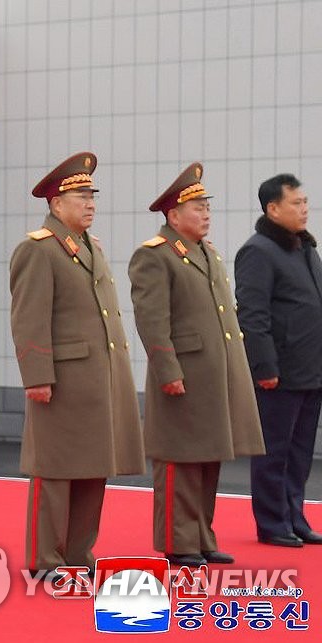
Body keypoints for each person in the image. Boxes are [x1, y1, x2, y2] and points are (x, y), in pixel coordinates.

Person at [8, 152, 144, 579]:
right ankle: (46, 560)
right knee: (55, 472)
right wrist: (37, 378)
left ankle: (78, 556)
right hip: (62, 381)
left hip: (98, 381)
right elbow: (29, 318)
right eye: (80, 195)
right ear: (55, 204)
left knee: (92, 469)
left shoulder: (89, 247)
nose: (90, 202)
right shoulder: (38, 250)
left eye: (91, 195)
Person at [128, 163, 265, 567]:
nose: (206, 214)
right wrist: (168, 371)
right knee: (179, 461)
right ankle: (178, 541)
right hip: (183, 376)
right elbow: (152, 321)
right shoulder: (155, 256)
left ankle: (202, 537)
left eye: (208, 207)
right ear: (173, 215)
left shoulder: (207, 253)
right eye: (197, 207)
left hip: (213, 376)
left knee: (207, 458)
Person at [235, 173, 322, 547]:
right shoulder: (258, 251)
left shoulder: (304, 248)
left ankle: (295, 516)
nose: (304, 209)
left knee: (300, 452)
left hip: (311, 369)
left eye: (305, 202)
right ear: (273, 209)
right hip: (280, 372)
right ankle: (272, 522)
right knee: (274, 451)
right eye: (295, 203)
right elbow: (253, 315)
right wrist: (265, 367)